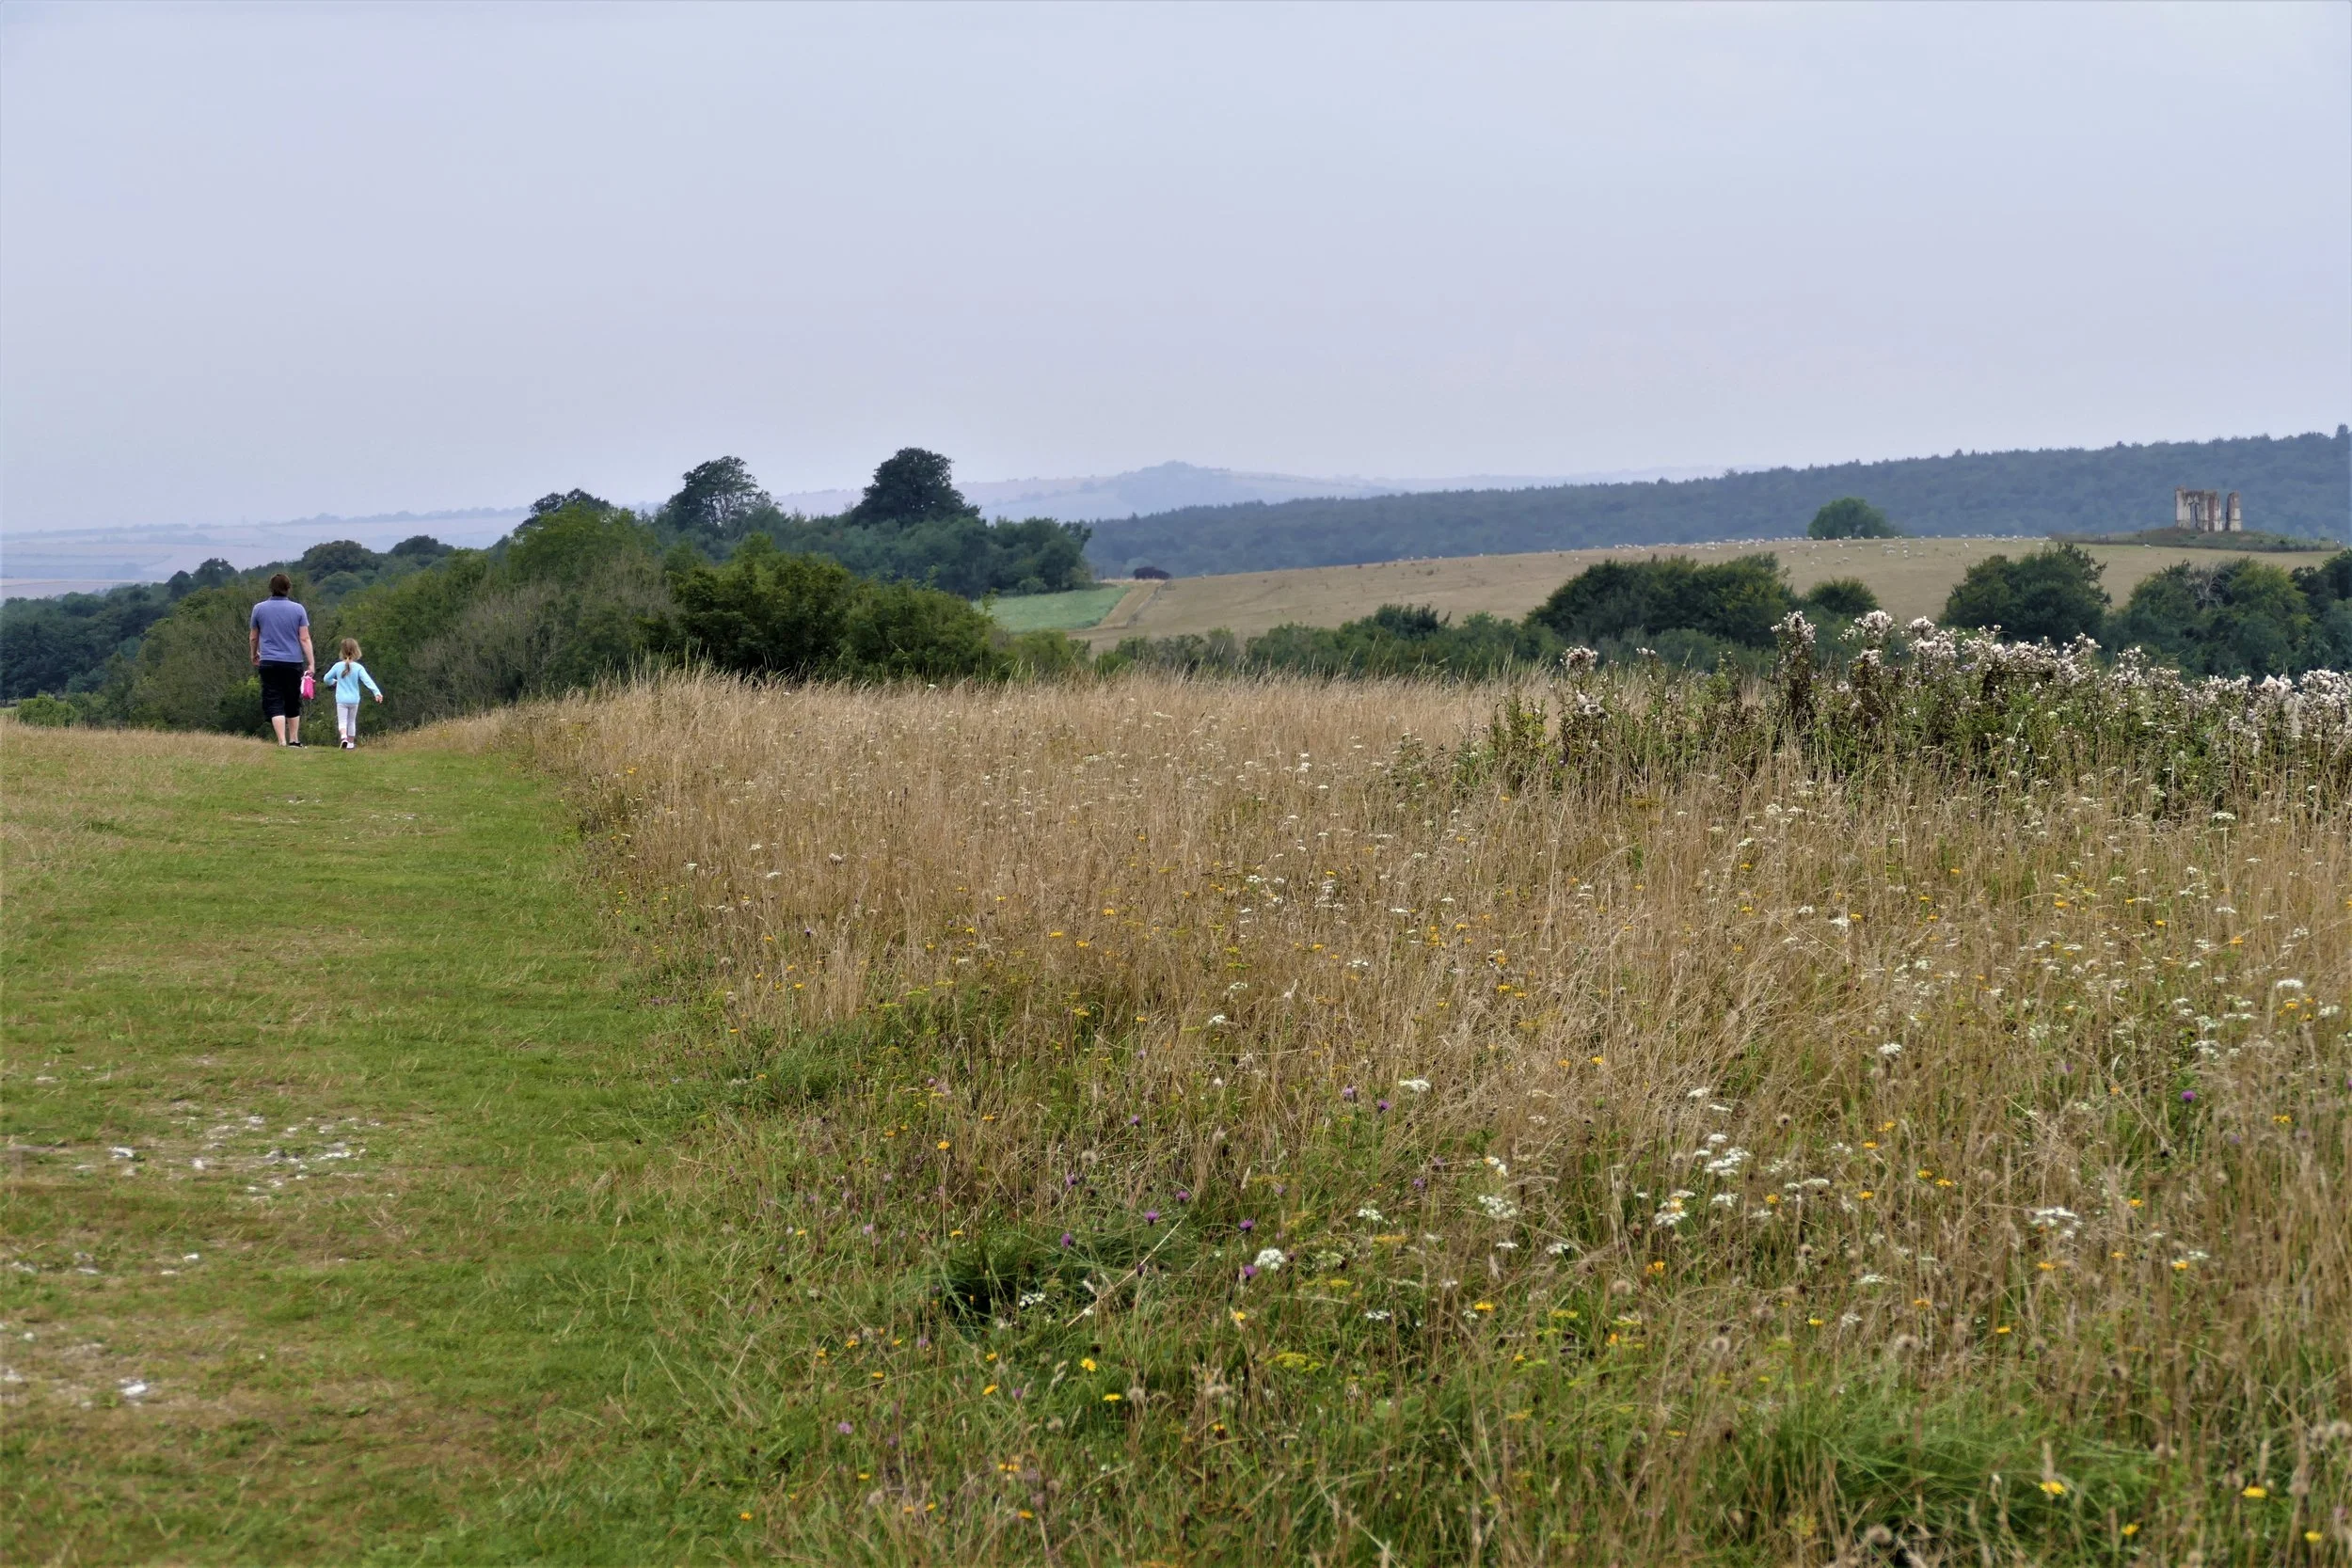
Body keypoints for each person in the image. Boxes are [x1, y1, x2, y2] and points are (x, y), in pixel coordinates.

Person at [248, 573, 315, 746]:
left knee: (273, 698)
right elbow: (305, 638)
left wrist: (254, 654)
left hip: (269, 661)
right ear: (288, 588)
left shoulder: (259, 609)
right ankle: (294, 740)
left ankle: (281, 740)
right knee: (292, 699)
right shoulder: (298, 609)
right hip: (293, 662)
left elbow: (254, 637)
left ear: (271, 588)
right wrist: (311, 662)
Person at [320, 639, 384, 750]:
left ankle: (343, 737)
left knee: (343, 721)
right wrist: (376, 692)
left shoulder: (337, 666)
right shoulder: (359, 668)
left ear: (342, 651)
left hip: (341, 699)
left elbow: (326, 679)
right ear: (356, 651)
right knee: (351, 721)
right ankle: (350, 743)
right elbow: (367, 681)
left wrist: (334, 682)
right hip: (354, 700)